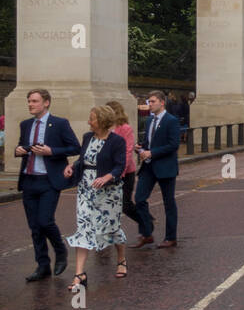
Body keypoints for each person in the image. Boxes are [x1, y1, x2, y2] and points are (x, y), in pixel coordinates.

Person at [15, 88, 81, 281]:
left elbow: (74, 147)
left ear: (46, 103)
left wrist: (51, 151)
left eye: (34, 101)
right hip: (28, 179)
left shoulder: (59, 123)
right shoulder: (25, 124)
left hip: (48, 181)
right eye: (29, 101)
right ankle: (42, 265)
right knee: (34, 227)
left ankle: (60, 251)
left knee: (45, 221)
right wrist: (18, 150)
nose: (30, 104)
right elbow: (22, 146)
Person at [63, 104, 128, 288]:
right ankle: (79, 275)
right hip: (86, 188)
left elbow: (120, 165)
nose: (88, 122)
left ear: (102, 121)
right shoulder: (87, 137)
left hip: (109, 192)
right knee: (84, 227)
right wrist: (72, 167)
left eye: (92, 118)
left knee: (112, 228)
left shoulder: (117, 141)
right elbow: (83, 159)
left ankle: (121, 259)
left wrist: (107, 177)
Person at [133, 91, 180, 248]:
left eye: (152, 101)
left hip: (165, 167)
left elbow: (173, 145)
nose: (149, 104)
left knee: (169, 203)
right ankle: (147, 233)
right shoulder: (149, 121)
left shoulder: (171, 121)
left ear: (162, 102)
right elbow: (148, 142)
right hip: (148, 167)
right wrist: (141, 148)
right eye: (149, 101)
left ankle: (171, 237)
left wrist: (152, 152)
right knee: (139, 198)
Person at [107, 100, 139, 225]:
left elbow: (127, 151)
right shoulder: (106, 129)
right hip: (109, 172)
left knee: (125, 204)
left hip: (125, 172)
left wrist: (120, 172)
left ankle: (146, 221)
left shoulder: (125, 128)